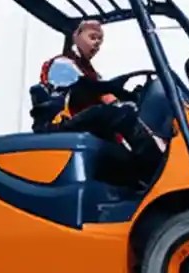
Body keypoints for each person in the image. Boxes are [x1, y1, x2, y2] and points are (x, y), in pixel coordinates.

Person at [34, 20, 167, 183]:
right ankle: (159, 166)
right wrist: (117, 93)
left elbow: (104, 93)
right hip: (56, 125)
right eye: (92, 37)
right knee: (114, 114)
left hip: (77, 122)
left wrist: (133, 97)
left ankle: (141, 176)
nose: (97, 43)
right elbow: (85, 88)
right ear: (76, 35)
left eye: (100, 40)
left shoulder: (89, 70)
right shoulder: (62, 63)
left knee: (123, 123)